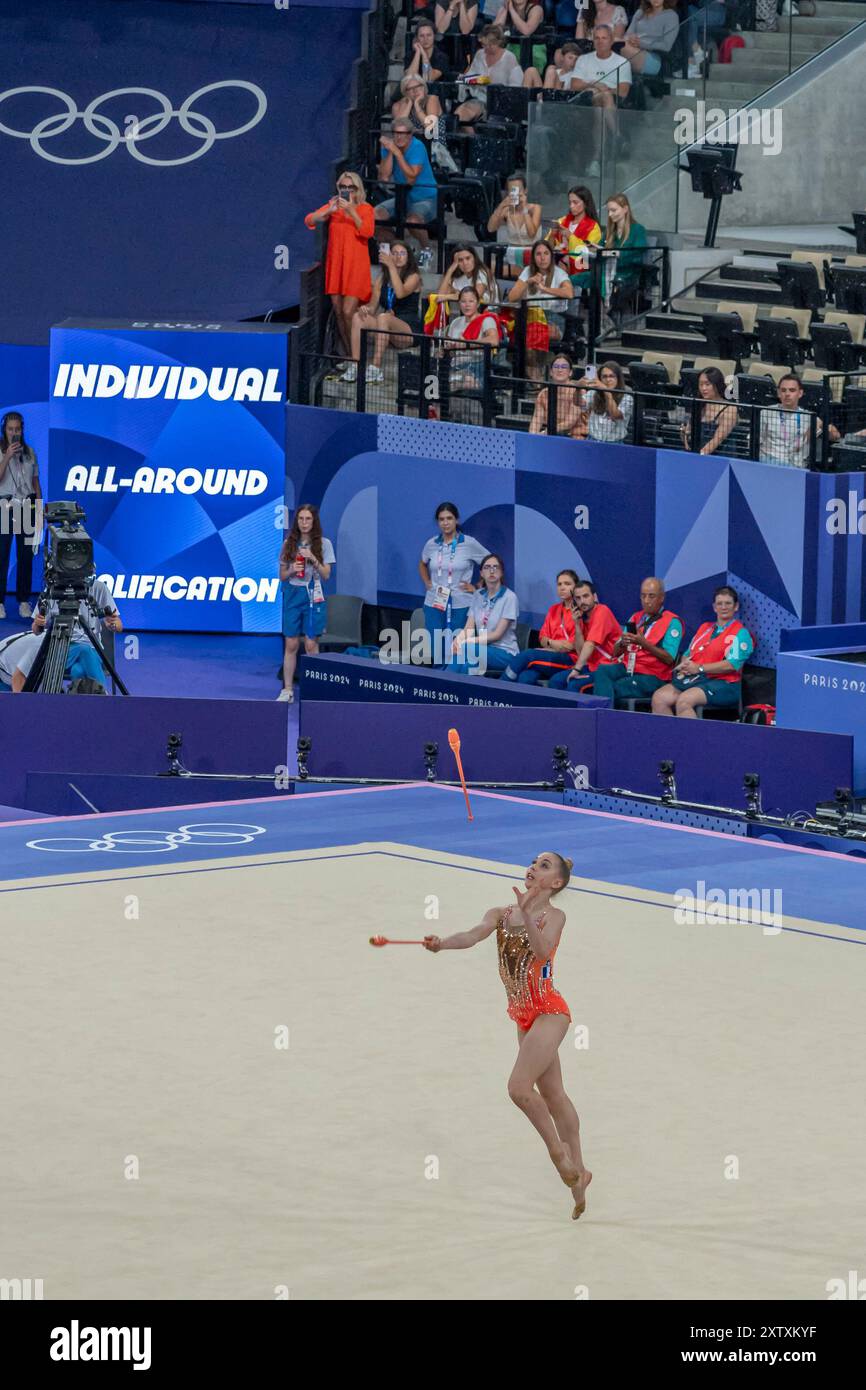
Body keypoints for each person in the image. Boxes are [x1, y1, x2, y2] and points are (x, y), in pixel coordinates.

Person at [423, 852, 593, 1220]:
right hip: (524, 1016)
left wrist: (529, 914)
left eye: (545, 866)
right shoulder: (500, 913)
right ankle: (581, 1179)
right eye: (534, 862)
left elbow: (544, 950)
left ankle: (561, 1157)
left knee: (518, 1088)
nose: (534, 867)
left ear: (556, 883)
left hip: (550, 1011)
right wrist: (442, 943)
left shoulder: (555, 916)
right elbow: (471, 936)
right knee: (552, 1093)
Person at [651, 585, 753, 717]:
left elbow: (731, 665)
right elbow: (688, 654)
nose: (723, 607)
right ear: (714, 607)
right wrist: (685, 665)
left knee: (684, 700)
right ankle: (669, 737)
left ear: (736, 606)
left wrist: (699, 668)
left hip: (725, 684)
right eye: (720, 604)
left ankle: (690, 738)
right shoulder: (704, 628)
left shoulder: (741, 633)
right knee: (659, 698)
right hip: (696, 679)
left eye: (728, 603)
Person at [305, 172, 375, 361]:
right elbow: (309, 220)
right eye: (342, 187)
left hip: (355, 266)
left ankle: (356, 358)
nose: (346, 191)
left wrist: (352, 211)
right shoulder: (333, 207)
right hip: (336, 264)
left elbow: (368, 231)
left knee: (347, 311)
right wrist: (328, 210)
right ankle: (349, 355)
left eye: (350, 188)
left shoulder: (365, 208)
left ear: (357, 189)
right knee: (338, 310)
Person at [12, 575, 122, 692]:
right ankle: (104, 698)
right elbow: (36, 630)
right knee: (84, 650)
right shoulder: (53, 589)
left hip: (93, 650)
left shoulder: (99, 587)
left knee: (78, 670)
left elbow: (119, 625)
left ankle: (77, 705)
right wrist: (39, 623)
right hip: (59, 650)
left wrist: (113, 623)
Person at [590, 577, 683, 705]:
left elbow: (669, 659)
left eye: (651, 596)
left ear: (661, 597)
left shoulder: (673, 622)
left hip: (653, 676)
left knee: (615, 688)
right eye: (643, 596)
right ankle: (602, 716)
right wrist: (622, 643)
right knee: (603, 670)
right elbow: (615, 653)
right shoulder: (635, 617)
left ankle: (604, 719)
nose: (646, 601)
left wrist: (643, 643)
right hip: (629, 668)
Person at [418, 501, 488, 664]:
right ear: (438, 522)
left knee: (457, 645)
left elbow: (491, 563)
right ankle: (437, 679)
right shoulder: (432, 543)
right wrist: (427, 582)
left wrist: (477, 586)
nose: (445, 523)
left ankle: (455, 680)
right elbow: (422, 563)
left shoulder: (468, 543)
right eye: (442, 519)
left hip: (461, 603)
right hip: (435, 601)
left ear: (456, 520)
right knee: (436, 643)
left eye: (449, 518)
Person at [278, 504, 335, 703]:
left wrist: (313, 559)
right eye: (301, 519)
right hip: (293, 594)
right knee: (291, 643)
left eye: (308, 519)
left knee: (311, 644)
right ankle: (287, 690)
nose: (304, 523)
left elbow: (327, 575)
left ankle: (314, 690)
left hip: (314, 595)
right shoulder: (289, 544)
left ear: (314, 521)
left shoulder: (324, 544)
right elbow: (282, 575)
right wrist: (292, 568)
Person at [345, 241, 423, 384]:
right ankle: (355, 364)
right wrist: (365, 309)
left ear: (408, 257)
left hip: (408, 330)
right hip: (385, 326)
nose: (398, 257)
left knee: (384, 317)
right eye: (394, 253)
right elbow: (372, 307)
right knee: (358, 317)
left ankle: (376, 367)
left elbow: (400, 293)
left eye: (402, 253)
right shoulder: (382, 279)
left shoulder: (414, 277)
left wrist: (391, 267)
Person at [566, 26, 631, 174]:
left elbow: (623, 92)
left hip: (608, 102)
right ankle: (618, 136)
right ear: (593, 40)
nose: (600, 41)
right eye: (597, 38)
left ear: (611, 40)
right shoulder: (583, 59)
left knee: (600, 109)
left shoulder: (622, 62)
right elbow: (574, 85)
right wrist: (594, 84)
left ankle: (595, 160)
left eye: (604, 38)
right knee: (601, 97)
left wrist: (603, 89)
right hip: (585, 102)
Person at [507, 239, 574, 379]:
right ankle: (538, 382)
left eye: (546, 253)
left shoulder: (559, 273)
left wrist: (545, 289)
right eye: (538, 254)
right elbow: (512, 297)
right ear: (533, 257)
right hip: (529, 318)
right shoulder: (527, 272)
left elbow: (569, 293)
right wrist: (528, 282)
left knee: (529, 338)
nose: (542, 258)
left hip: (553, 319)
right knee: (528, 340)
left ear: (551, 255)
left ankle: (538, 381)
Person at [502, 569, 581, 682]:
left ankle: (501, 687)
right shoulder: (553, 609)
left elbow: (570, 646)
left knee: (527, 655)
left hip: (569, 660)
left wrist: (551, 646)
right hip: (548, 655)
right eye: (559, 584)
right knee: (525, 677)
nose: (562, 587)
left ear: (576, 587)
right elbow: (542, 638)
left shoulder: (579, 612)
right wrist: (552, 643)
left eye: (567, 584)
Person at [448, 553, 520, 675]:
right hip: (482, 649)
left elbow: (497, 635)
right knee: (467, 665)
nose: (491, 571)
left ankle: (445, 685)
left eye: (495, 567)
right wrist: (458, 640)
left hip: (504, 652)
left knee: (466, 649)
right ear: (481, 573)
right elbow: (469, 628)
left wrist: (469, 642)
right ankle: (451, 688)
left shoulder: (510, 597)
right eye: (487, 567)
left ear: (501, 572)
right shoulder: (478, 595)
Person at [0, 411, 42, 620]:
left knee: (25, 556)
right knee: (2, 555)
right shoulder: (0, 451)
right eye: (10, 429)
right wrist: (6, 455)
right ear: (4, 430)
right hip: (5, 505)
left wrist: (41, 510)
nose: (14, 433)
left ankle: (24, 601)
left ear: (22, 430)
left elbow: (36, 483)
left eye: (17, 429)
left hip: (27, 505)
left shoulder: (30, 453)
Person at [546, 578, 621, 689]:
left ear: (594, 597)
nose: (582, 601)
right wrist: (576, 624)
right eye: (578, 598)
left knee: (574, 685)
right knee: (556, 681)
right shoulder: (581, 616)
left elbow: (590, 644)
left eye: (586, 596)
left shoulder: (602, 611)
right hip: (591, 666)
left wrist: (577, 669)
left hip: (607, 667)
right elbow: (580, 651)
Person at [375, 119, 439, 250]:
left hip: (425, 198)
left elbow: (411, 178)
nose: (399, 137)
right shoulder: (390, 147)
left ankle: (427, 250)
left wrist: (397, 153)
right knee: (373, 216)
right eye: (396, 133)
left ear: (410, 135)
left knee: (413, 221)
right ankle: (400, 248)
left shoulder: (417, 146)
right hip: (402, 197)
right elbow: (384, 177)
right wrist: (390, 153)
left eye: (403, 133)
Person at [758, 373, 838, 468]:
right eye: (783, 390)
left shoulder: (809, 417)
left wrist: (823, 425)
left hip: (796, 466)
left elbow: (836, 436)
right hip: (769, 463)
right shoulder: (766, 412)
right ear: (778, 393)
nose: (787, 394)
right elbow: (754, 441)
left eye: (792, 390)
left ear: (800, 393)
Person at [454, 24, 524, 130]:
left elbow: (516, 89)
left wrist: (495, 86)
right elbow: (469, 76)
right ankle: (474, 142)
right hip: (480, 99)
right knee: (459, 115)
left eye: (489, 45)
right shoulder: (480, 54)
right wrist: (469, 79)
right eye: (483, 45)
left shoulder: (510, 58)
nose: (485, 48)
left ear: (498, 43)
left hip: (501, 104)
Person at [443, 285, 501, 388]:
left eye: (471, 301)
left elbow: (494, 340)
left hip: (477, 365)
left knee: (465, 383)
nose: (467, 305)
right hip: (455, 364)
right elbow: (451, 351)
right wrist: (450, 347)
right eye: (463, 301)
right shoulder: (455, 322)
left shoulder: (486, 320)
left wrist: (467, 344)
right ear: (459, 304)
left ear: (478, 303)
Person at [547, 186, 602, 292]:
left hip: (580, 264)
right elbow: (547, 246)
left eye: (575, 202)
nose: (571, 206)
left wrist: (570, 236)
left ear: (585, 203)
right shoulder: (562, 220)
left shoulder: (593, 227)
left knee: (561, 261)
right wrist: (552, 235)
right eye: (570, 202)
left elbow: (587, 252)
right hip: (557, 262)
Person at [487, 173, 542, 277]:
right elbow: (490, 228)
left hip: (531, 256)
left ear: (525, 190)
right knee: (487, 268)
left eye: (518, 190)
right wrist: (501, 205)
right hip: (512, 256)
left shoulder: (535, 208)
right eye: (512, 190)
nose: (515, 193)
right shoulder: (507, 210)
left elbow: (532, 233)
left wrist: (524, 208)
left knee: (515, 270)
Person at [604, 193, 648, 316]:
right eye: (608, 211)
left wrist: (617, 254)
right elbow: (600, 247)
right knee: (579, 279)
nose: (610, 214)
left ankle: (610, 315)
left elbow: (640, 249)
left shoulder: (637, 229)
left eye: (613, 210)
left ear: (625, 209)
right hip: (608, 270)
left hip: (628, 273)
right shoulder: (609, 231)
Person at [681, 367, 739, 457]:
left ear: (717, 385)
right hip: (697, 455)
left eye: (707, 384)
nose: (703, 388)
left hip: (720, 458)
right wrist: (685, 437)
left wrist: (698, 457)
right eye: (701, 384)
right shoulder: (699, 404)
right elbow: (688, 432)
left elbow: (717, 439)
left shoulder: (730, 409)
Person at [528, 354, 588, 435]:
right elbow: (536, 420)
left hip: (574, 435)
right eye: (556, 366)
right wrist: (532, 436)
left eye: (564, 367)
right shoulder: (543, 394)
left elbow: (569, 423)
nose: (559, 370)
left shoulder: (578, 391)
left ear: (570, 372)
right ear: (551, 372)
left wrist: (545, 432)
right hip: (551, 433)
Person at [577, 359, 632, 441]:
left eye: (611, 376)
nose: (608, 380)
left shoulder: (627, 398)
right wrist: (578, 389)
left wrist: (607, 392)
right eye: (604, 376)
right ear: (600, 379)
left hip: (614, 443)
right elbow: (578, 403)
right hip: (592, 440)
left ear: (618, 378)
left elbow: (615, 415)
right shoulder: (593, 393)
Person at [622, 0, 679, 77]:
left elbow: (666, 46)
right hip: (632, 49)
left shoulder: (671, 16)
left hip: (654, 58)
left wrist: (641, 43)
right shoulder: (640, 12)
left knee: (613, 44)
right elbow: (627, 35)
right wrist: (630, 38)